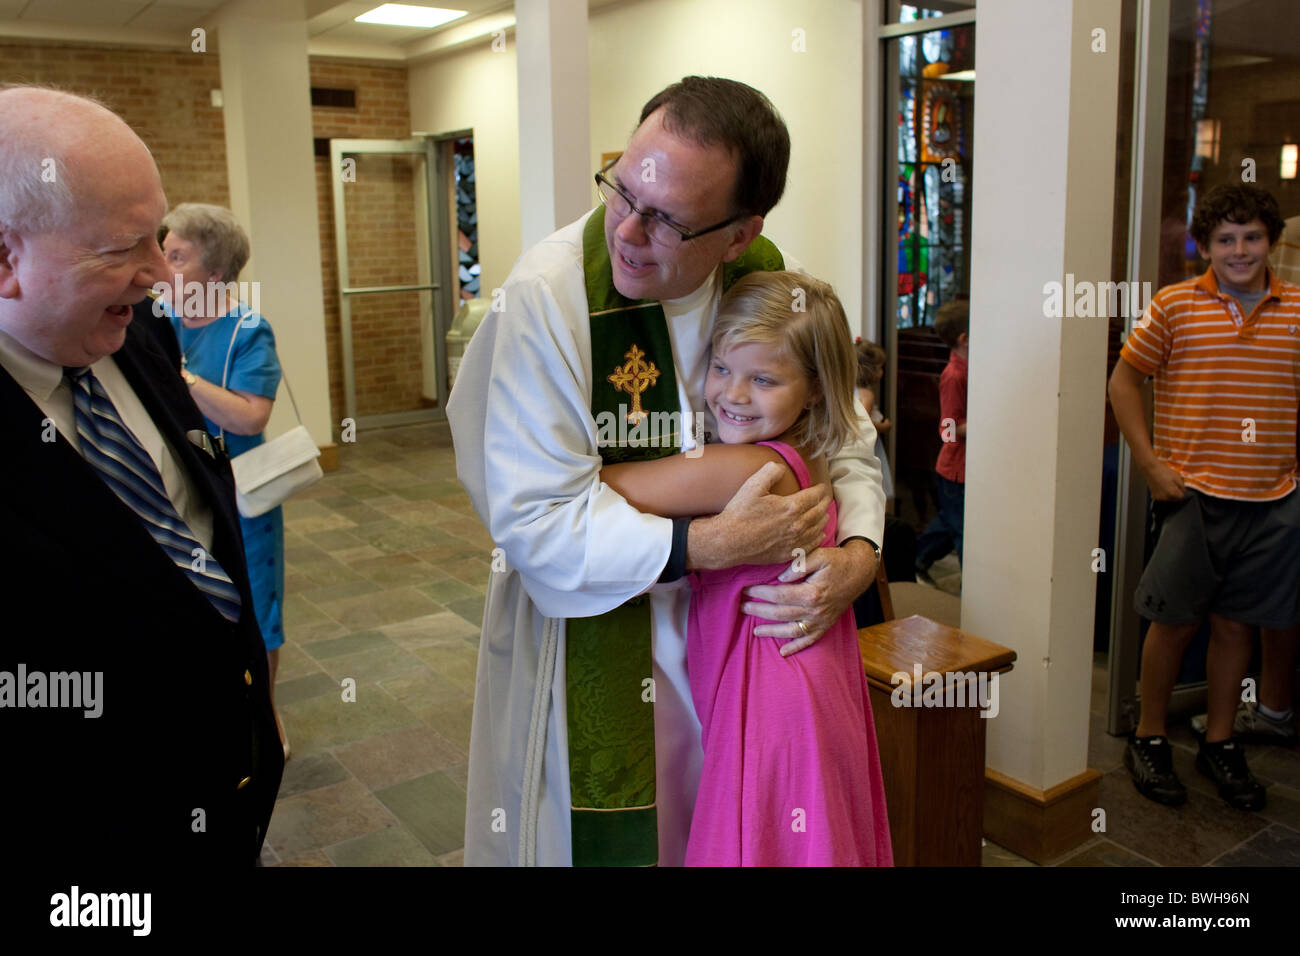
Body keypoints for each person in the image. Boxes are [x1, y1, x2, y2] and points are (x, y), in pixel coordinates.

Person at [447, 76, 885, 867]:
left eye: (668, 221)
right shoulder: (548, 300)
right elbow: (534, 517)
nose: (627, 232)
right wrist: (707, 544)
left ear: (740, 233)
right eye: (621, 188)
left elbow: (839, 430)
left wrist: (861, 552)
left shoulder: (768, 279)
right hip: (597, 613)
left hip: (746, 640)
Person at [0, 85, 282, 864]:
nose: (160, 274)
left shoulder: (134, 329)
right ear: (5, 260)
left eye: (161, 239)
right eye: (123, 249)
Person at [600, 272, 893, 865]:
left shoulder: (747, 468)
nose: (733, 395)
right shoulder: (808, 448)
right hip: (813, 673)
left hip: (772, 695)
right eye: (721, 368)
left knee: (758, 839)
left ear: (814, 389)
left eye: (763, 379)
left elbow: (604, 485)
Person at [1109, 184, 1300, 811]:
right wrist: (1149, 461)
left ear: (1271, 241)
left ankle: (1220, 740)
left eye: (1251, 237)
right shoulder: (1175, 305)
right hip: (1191, 494)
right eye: (1225, 239)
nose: (1239, 251)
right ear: (1205, 246)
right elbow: (1123, 383)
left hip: (1272, 499)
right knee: (1173, 620)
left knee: (1236, 624)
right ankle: (1150, 735)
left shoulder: (1296, 308)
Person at [157, 203, 290, 760]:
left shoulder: (247, 330)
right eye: (164, 253)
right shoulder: (155, 322)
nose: (161, 267)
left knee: (257, 608)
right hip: (173, 491)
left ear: (213, 273)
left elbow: (249, 416)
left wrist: (181, 377)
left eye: (176, 256)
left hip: (242, 493)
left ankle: (265, 716)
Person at [914, 298, 969, 583]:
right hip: (955, 469)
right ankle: (969, 589)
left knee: (949, 524)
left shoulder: (971, 369)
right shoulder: (954, 375)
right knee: (962, 531)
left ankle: (917, 559)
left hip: (960, 470)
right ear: (964, 339)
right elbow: (947, 428)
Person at [856, 337, 894, 504]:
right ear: (869, 370)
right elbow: (860, 421)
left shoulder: (849, 390)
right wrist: (884, 426)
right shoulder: (867, 395)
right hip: (870, 447)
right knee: (876, 487)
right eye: (880, 368)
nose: (882, 372)